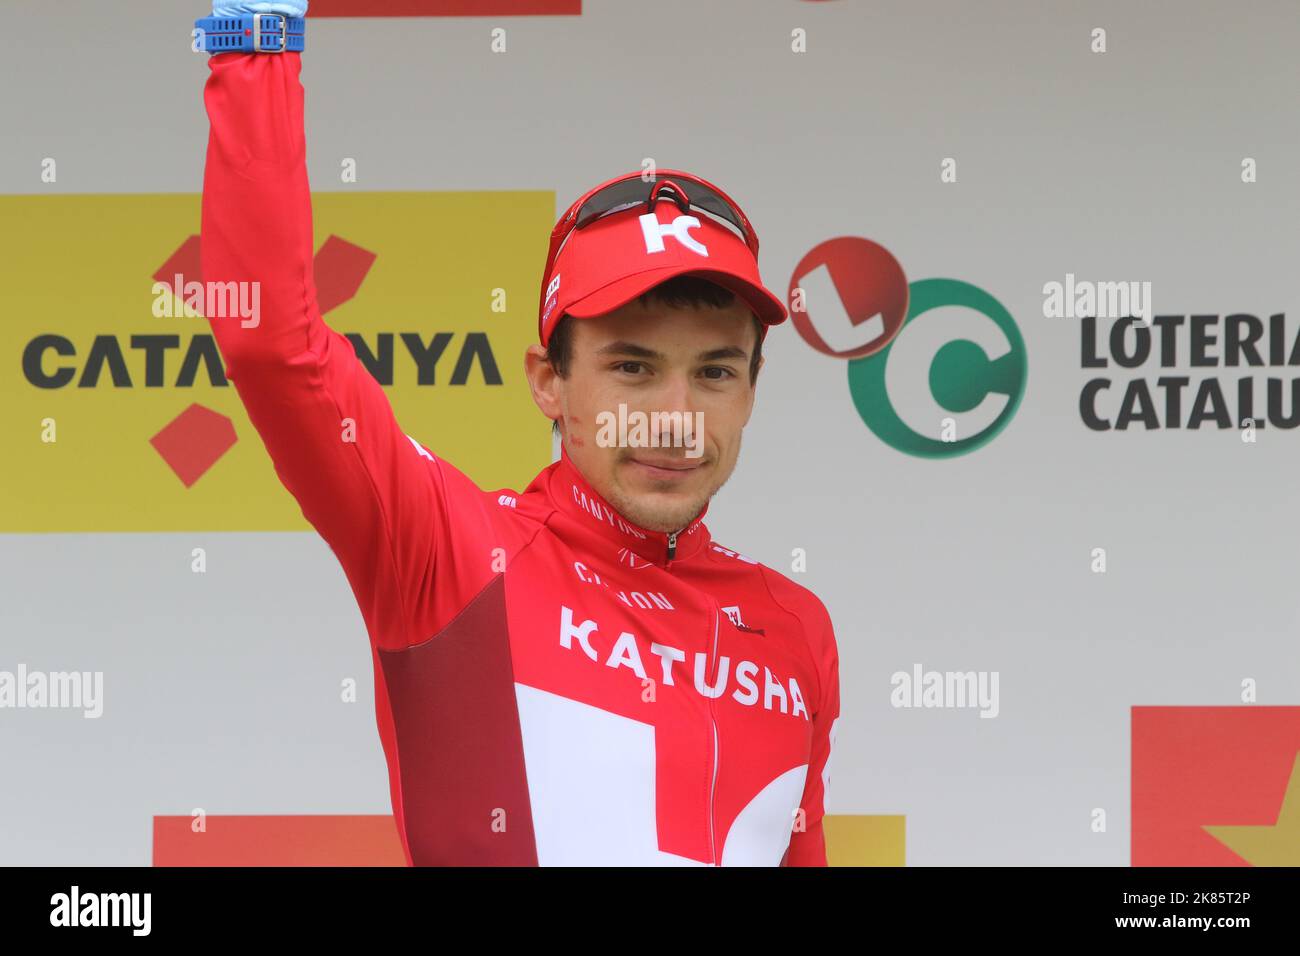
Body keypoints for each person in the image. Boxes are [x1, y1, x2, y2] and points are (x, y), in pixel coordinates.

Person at [196, 2, 840, 866]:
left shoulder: (795, 626)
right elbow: (272, 345)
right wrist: (255, 40)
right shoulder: (449, 550)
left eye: (715, 372)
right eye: (632, 368)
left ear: (755, 390)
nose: (676, 416)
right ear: (549, 383)